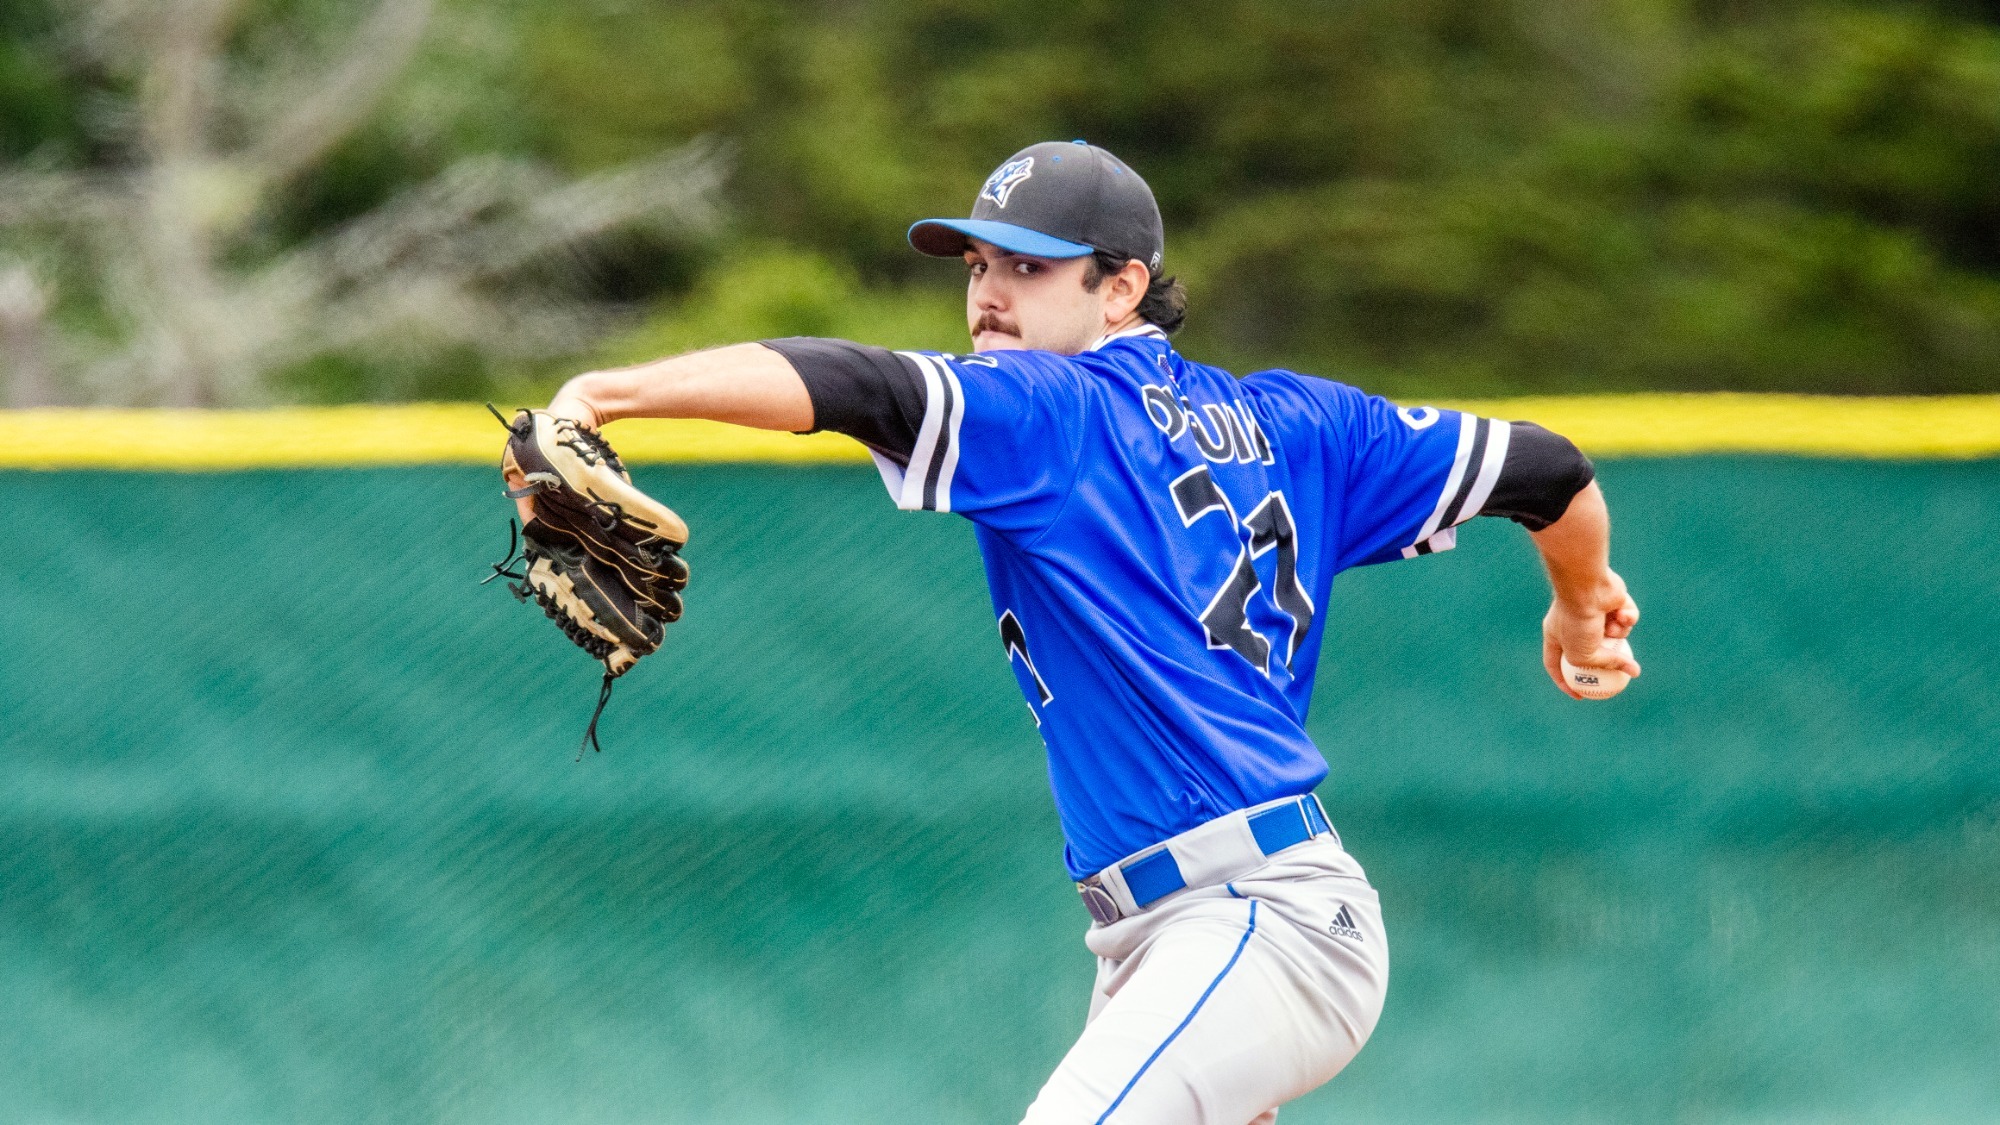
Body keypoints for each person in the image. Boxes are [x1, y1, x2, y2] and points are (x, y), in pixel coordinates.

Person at [528, 140, 1641, 1124]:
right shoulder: (1305, 423)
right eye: (976, 267)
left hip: (1254, 922)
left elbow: (850, 383)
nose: (987, 297)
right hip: (1181, 936)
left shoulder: (1047, 412)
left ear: (1122, 287)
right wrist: (1579, 600)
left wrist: (603, 393)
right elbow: (1544, 470)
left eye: (1026, 266)